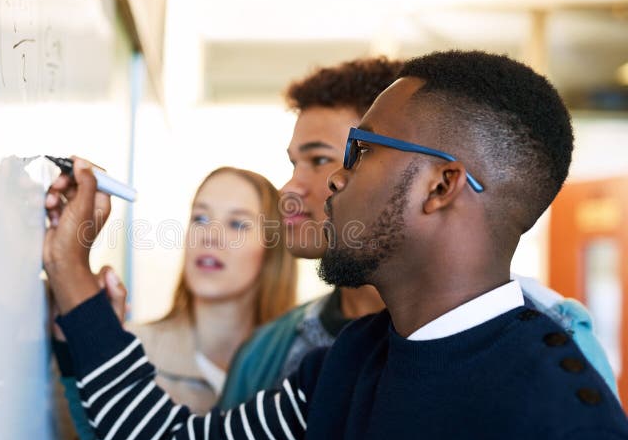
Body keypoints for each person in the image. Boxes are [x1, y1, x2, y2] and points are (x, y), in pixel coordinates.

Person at [44, 50, 628, 440]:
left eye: (361, 151)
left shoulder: (570, 439)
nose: (336, 181)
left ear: (442, 185)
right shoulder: (348, 366)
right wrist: (73, 274)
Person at [220, 57, 618, 408]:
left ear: (437, 184)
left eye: (329, 157)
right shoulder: (275, 354)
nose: (290, 188)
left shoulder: (557, 354)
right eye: (294, 164)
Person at [51, 166, 297, 440]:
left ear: (272, 249)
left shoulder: (294, 367)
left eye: (237, 224)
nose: (210, 235)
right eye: (201, 218)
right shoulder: (128, 349)